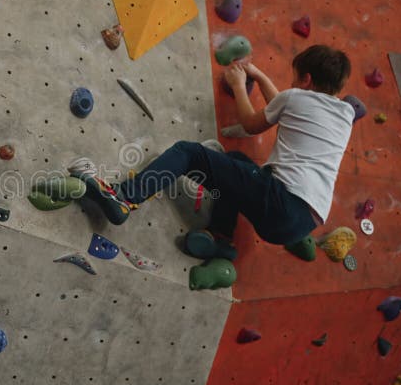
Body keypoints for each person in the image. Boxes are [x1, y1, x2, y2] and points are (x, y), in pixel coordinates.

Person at [74, 45, 355, 258]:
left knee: (188, 153)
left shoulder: (295, 98)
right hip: (302, 223)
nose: (292, 86)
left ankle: (123, 197)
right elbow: (290, 107)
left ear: (305, 80)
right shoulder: (344, 115)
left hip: (282, 200)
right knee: (236, 162)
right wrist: (256, 74)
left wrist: (237, 86)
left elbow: (252, 122)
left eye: (295, 80)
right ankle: (221, 238)